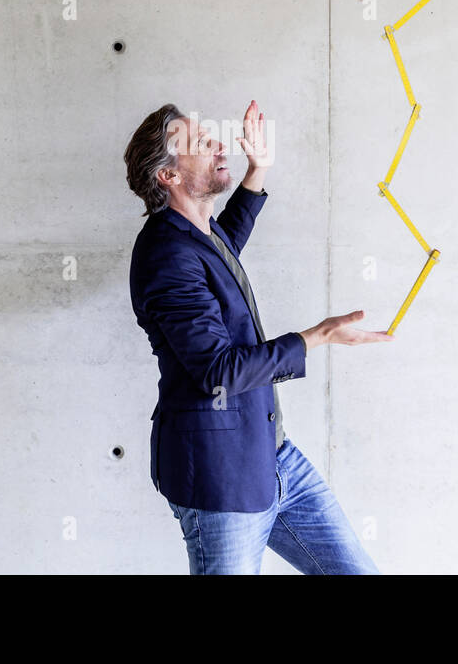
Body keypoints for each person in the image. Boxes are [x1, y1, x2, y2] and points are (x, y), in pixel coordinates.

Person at [124, 99, 393, 574]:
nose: (217, 144)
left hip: (274, 457)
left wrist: (257, 171)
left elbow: (228, 238)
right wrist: (318, 336)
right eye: (201, 143)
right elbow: (217, 371)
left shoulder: (199, 235)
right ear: (168, 175)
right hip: (219, 479)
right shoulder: (166, 256)